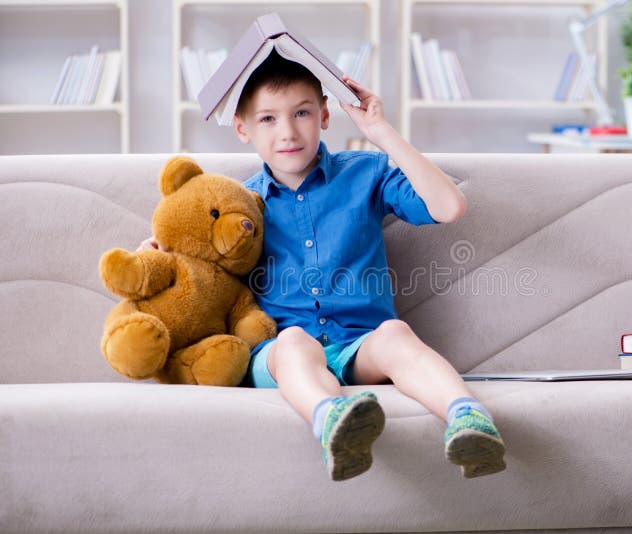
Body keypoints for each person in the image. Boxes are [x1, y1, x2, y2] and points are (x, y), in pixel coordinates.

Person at [145, 53, 506, 481]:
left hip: (361, 345)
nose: (288, 132)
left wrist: (379, 132)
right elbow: (199, 274)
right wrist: (156, 256)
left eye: (302, 113)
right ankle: (333, 421)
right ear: (242, 129)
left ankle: (468, 418)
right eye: (267, 119)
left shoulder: (366, 173)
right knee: (296, 340)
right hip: (281, 352)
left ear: (325, 115)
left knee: (395, 334)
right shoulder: (236, 206)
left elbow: (449, 207)